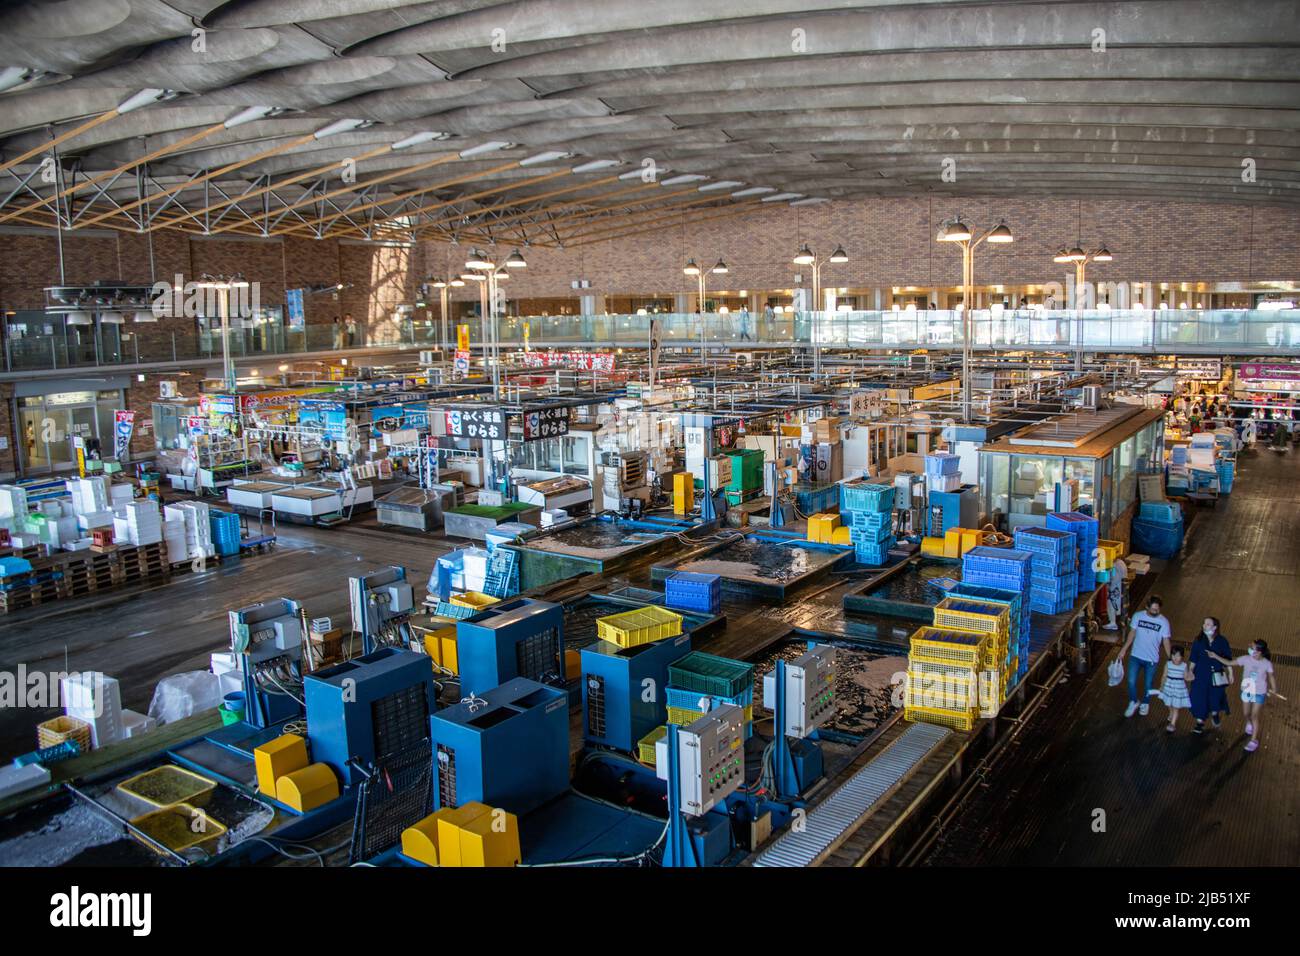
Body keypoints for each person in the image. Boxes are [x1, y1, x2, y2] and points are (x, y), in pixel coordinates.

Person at [1207, 640, 1277, 752]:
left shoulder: (1266, 664)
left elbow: (1271, 676)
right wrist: (1215, 656)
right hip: (1246, 691)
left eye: (1253, 648)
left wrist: (1274, 689)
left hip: (1259, 693)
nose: (1250, 649)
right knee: (1246, 713)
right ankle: (1248, 722)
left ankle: (1254, 740)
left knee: (1254, 716)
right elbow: (1229, 663)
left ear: (1259, 652)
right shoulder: (1245, 659)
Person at [1118, 595, 1172, 717]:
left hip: (1151, 659)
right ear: (1146, 607)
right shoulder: (1138, 616)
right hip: (1136, 656)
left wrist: (1171, 658)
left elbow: (1166, 641)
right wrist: (1124, 650)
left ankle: (1146, 703)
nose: (1156, 612)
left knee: (1149, 684)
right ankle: (1133, 701)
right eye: (1153, 609)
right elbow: (1132, 634)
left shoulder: (1163, 622)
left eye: (1158, 610)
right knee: (1131, 681)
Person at [1188, 617, 1231, 734]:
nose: (1204, 625)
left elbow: (1227, 659)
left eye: (1207, 624)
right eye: (1204, 624)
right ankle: (1199, 722)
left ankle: (1215, 714)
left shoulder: (1222, 641)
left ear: (1215, 627)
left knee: (1215, 697)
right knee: (1199, 698)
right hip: (1200, 675)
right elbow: (1193, 658)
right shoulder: (1198, 641)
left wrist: (1231, 673)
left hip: (1216, 675)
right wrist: (1190, 670)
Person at [1157, 644, 1193, 733]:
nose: (1175, 658)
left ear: (1182, 657)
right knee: (1168, 703)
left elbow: (1185, 677)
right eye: (1173, 655)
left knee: (1176, 706)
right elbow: (1164, 676)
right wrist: (1162, 685)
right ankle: (1171, 712)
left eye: (1178, 656)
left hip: (1178, 688)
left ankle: (1172, 724)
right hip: (1169, 686)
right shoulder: (1168, 664)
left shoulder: (1184, 666)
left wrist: (1191, 676)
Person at [1103, 554, 1127, 630]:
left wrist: (1108, 585)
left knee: (1111, 604)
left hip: (1115, 588)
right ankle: (1121, 620)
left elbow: (1113, 578)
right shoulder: (1121, 563)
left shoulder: (1115, 564)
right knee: (1119, 605)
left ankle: (1113, 623)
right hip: (1121, 588)